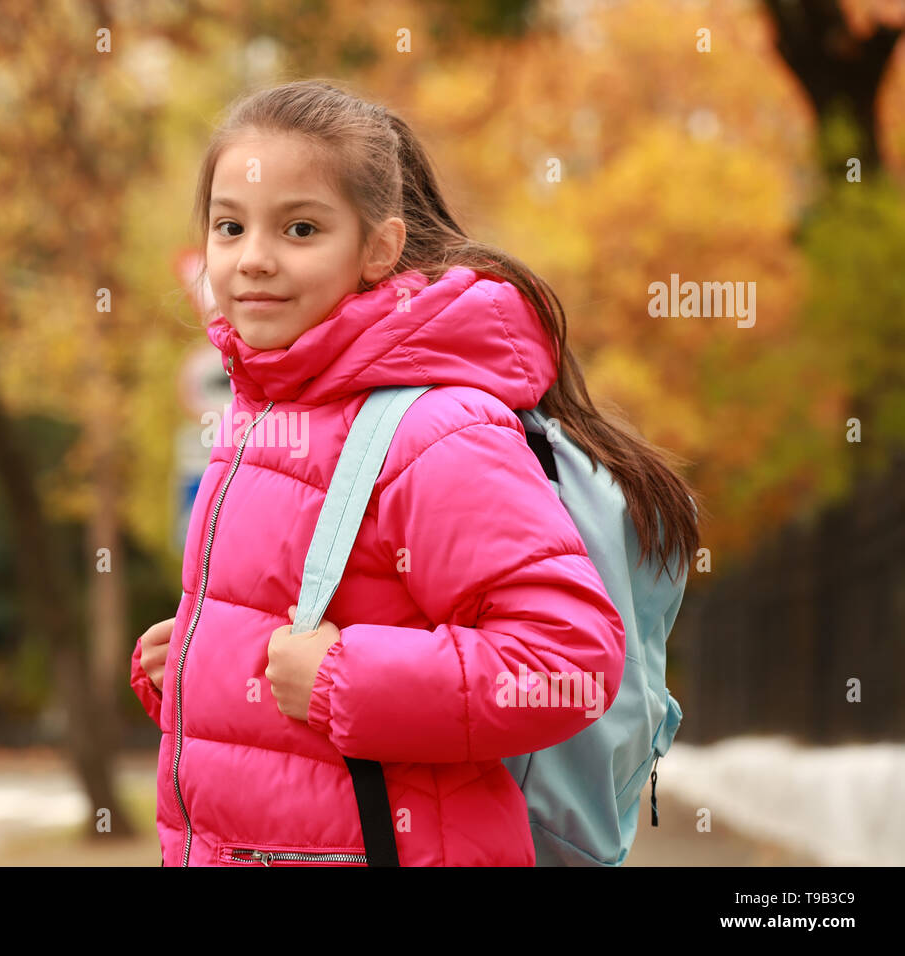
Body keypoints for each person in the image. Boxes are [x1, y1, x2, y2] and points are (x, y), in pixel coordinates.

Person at [130, 79, 701, 866]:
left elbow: (563, 661)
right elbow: (312, 639)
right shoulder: (260, 415)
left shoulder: (433, 430)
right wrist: (202, 660)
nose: (253, 259)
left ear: (379, 247)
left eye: (300, 228)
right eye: (230, 227)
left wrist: (340, 678)